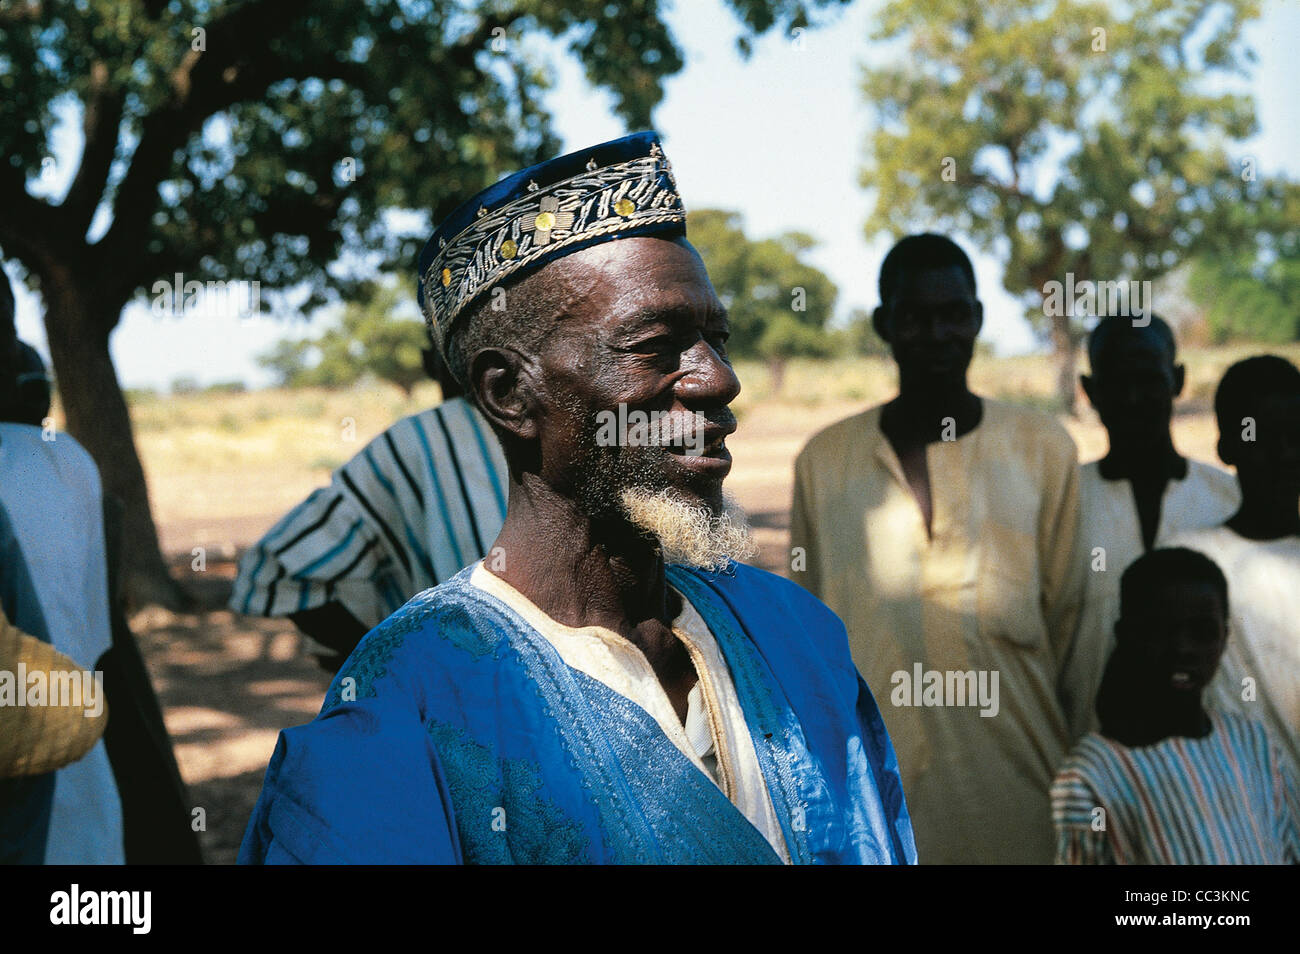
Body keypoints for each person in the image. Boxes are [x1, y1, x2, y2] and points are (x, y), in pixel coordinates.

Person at [240, 132, 916, 865]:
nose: (719, 380)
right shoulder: (407, 706)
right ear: (509, 393)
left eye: (716, 339)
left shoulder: (793, 637)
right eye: (655, 346)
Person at [790, 233, 1089, 864]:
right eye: (914, 317)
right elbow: (811, 643)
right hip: (876, 815)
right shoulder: (825, 461)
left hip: (1023, 802)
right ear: (884, 325)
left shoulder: (1043, 449)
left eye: (953, 314)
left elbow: (1073, 631)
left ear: (977, 319)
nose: (936, 334)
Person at [230, 330, 507, 671]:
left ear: (430, 362)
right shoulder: (563, 426)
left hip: (466, 691)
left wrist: (385, 670)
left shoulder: (415, 442)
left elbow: (274, 572)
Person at [1051, 548, 1299, 864]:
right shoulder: (1093, 773)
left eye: (1202, 632)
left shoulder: (1254, 745)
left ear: (1224, 638)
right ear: (1126, 635)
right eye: (1158, 630)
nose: (1183, 648)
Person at [1073, 314, 1239, 725]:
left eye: (1149, 379)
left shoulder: (1228, 498)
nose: (1133, 398)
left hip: (1215, 749)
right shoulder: (1062, 502)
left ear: (1177, 381)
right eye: (1116, 383)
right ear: (1091, 391)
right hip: (1091, 746)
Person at [1166, 355, 1300, 769]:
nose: (1283, 454)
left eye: (1294, 435)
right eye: (1261, 437)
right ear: (1226, 447)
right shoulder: (1191, 566)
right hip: (1231, 801)